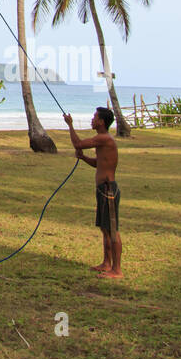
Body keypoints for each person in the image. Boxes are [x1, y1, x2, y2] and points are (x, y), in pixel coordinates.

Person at [63, 107, 121, 279]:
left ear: (101, 122)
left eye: (95, 117)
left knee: (112, 230)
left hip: (108, 189)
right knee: (105, 229)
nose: (92, 119)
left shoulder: (103, 138)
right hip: (103, 190)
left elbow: (78, 144)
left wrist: (70, 125)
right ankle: (106, 263)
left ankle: (117, 270)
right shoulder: (103, 140)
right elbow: (99, 163)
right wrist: (83, 158)